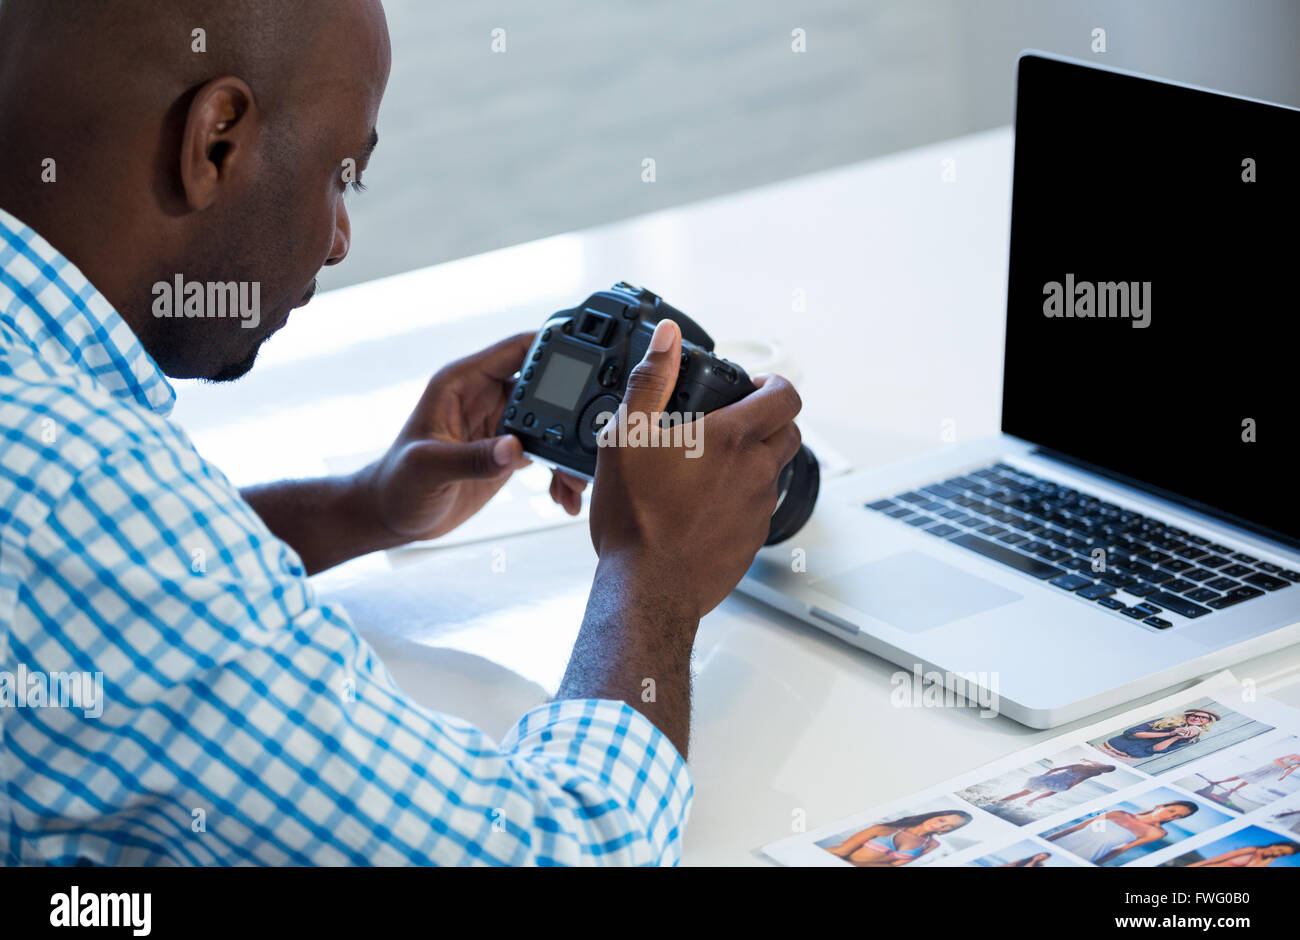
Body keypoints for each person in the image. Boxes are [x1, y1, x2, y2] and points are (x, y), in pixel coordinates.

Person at [0, 0, 803, 865]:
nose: (340, 238)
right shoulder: (80, 492)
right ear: (217, 140)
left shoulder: (61, 467)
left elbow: (88, 581)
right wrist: (652, 577)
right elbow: (559, 850)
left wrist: (360, 507)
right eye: (341, 174)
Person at [1046, 800, 1197, 865]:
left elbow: (1121, 850)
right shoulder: (1118, 813)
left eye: (1178, 816)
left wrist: (1095, 864)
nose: (1171, 816)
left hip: (1085, 857)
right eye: (1171, 810)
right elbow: (1076, 827)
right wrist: (1047, 840)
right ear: (1161, 806)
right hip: (1060, 844)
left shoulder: (1157, 832)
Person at [823, 811, 972, 867]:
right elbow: (840, 852)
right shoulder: (884, 829)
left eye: (949, 827)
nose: (941, 825)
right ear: (934, 816)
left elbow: (894, 865)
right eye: (941, 820)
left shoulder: (932, 844)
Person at [1095, 708, 1220, 761]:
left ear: (1208, 722)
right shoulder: (1166, 721)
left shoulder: (1193, 739)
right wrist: (1171, 732)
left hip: (1128, 758)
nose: (1197, 718)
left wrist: (1175, 737)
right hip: (1110, 747)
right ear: (1188, 715)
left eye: (1203, 717)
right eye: (1194, 715)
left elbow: (1154, 749)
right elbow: (1132, 733)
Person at [996, 758, 1116, 807]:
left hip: (1051, 779)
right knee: (1051, 793)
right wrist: (1070, 787)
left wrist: (1042, 777)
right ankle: (1031, 800)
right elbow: (1080, 779)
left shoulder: (1079, 765)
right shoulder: (1096, 773)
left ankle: (1000, 801)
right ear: (1105, 771)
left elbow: (1054, 769)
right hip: (1060, 784)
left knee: (1024, 793)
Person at [1184, 840, 1298, 868]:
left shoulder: (1263, 860)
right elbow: (1217, 859)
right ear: (1274, 845)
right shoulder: (1251, 850)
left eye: (1282, 855)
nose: (1277, 853)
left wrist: (1268, 859)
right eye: (1279, 849)